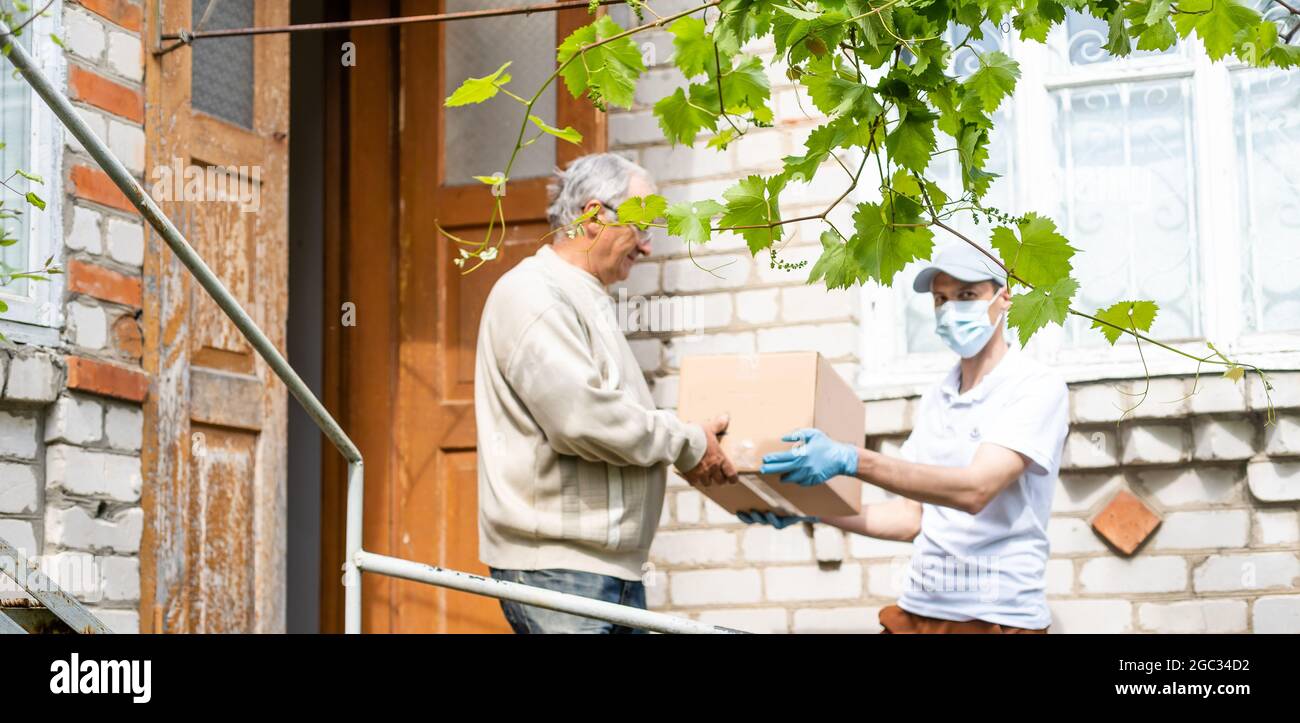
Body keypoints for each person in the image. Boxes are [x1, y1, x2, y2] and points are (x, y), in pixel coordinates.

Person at [741, 242, 1069, 633]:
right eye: (940, 299)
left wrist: (852, 460)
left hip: (996, 617)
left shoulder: (1034, 386)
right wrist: (808, 509)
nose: (950, 310)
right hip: (918, 610)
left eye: (967, 295)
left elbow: (975, 491)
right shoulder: (938, 395)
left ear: (1004, 298)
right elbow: (909, 519)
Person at [475, 153, 737, 634]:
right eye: (641, 228)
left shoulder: (583, 297)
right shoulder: (534, 294)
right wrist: (688, 442)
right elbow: (583, 418)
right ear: (594, 216)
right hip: (562, 572)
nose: (648, 247)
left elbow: (606, 414)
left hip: (602, 571)